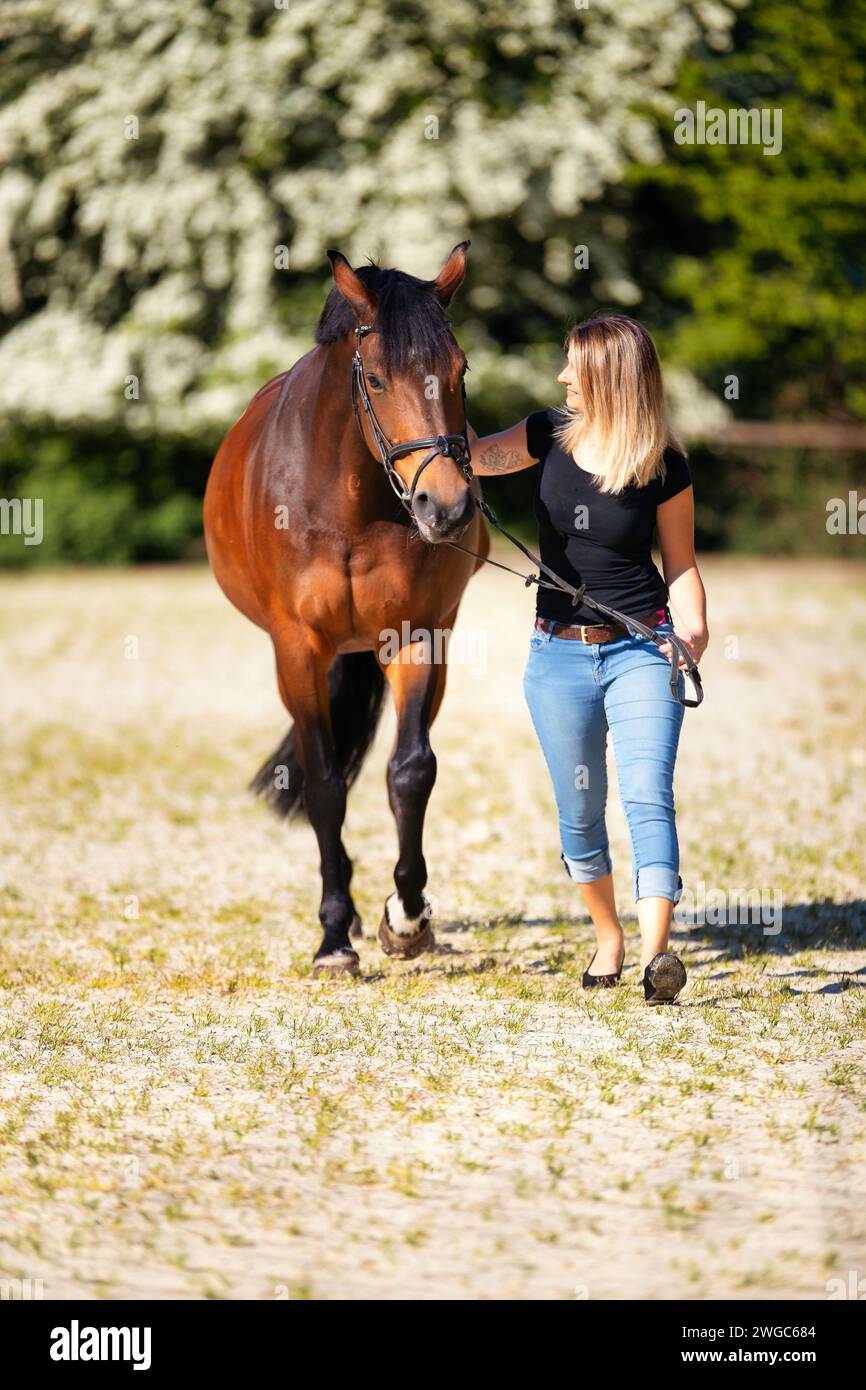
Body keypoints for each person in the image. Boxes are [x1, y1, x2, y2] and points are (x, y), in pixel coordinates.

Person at [468, 313, 708, 1004]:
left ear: (609, 376)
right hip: (557, 656)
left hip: (642, 649)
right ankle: (609, 936)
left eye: (575, 365)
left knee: (646, 796)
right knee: (579, 808)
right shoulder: (545, 435)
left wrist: (692, 626)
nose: (562, 377)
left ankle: (659, 958)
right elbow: (476, 457)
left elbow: (682, 565)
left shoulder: (664, 464)